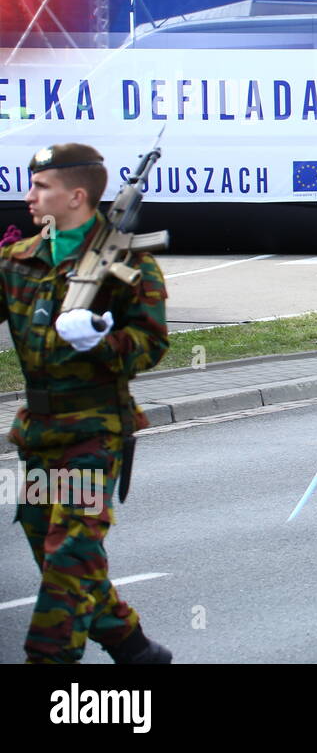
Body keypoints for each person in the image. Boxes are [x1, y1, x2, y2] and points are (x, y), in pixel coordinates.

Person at [6, 143, 171, 663]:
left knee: (70, 556)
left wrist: (100, 340)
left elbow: (150, 345)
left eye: (42, 187)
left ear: (77, 196)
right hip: (37, 434)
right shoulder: (18, 260)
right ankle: (135, 649)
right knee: (64, 563)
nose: (29, 195)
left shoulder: (129, 265)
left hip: (92, 434)